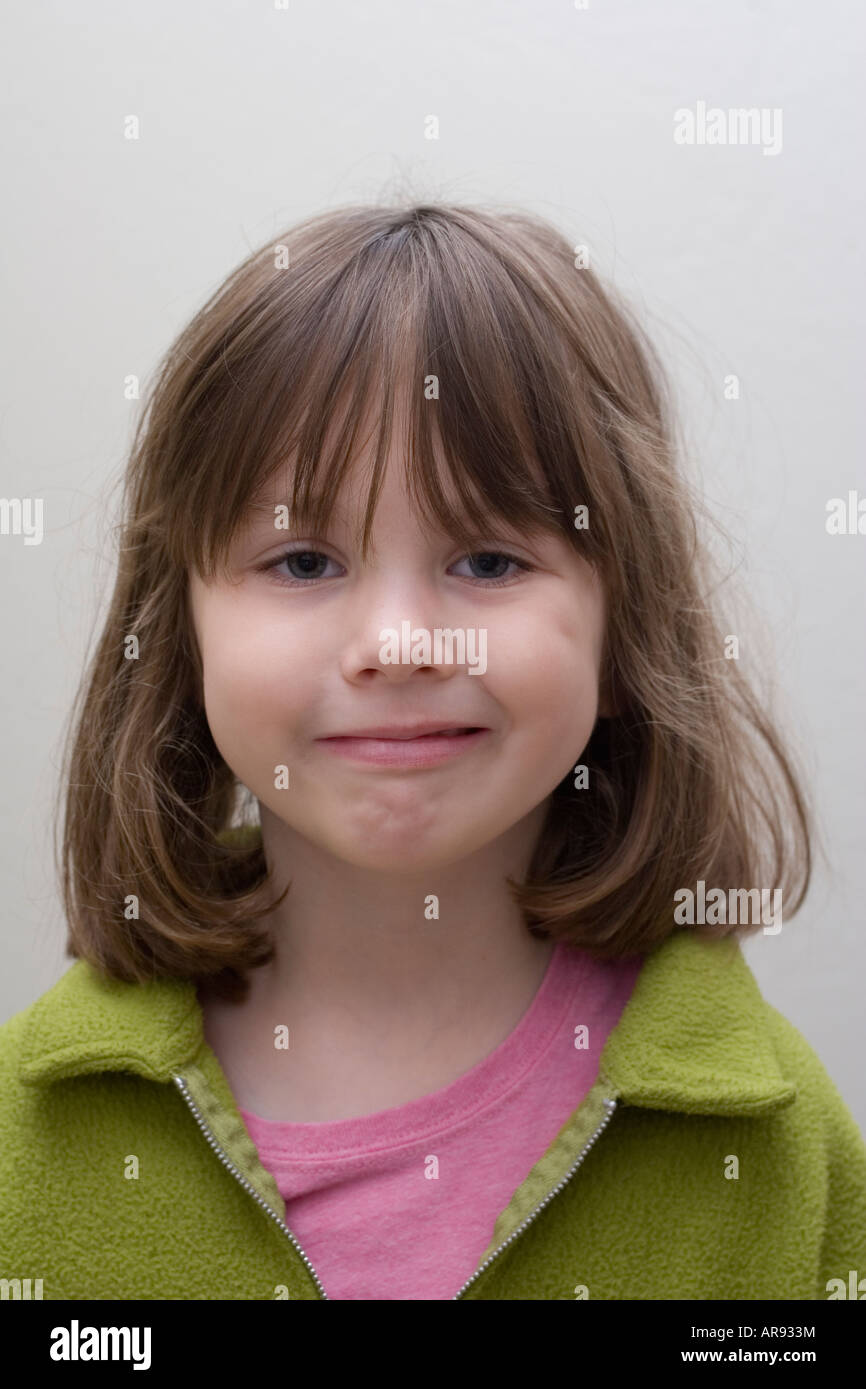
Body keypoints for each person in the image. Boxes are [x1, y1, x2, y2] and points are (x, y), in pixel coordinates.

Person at [1, 201, 864, 1301]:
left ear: (621, 622)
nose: (401, 644)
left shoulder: (778, 1151)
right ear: (181, 631)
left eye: (491, 560)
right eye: (304, 562)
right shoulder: (24, 1139)